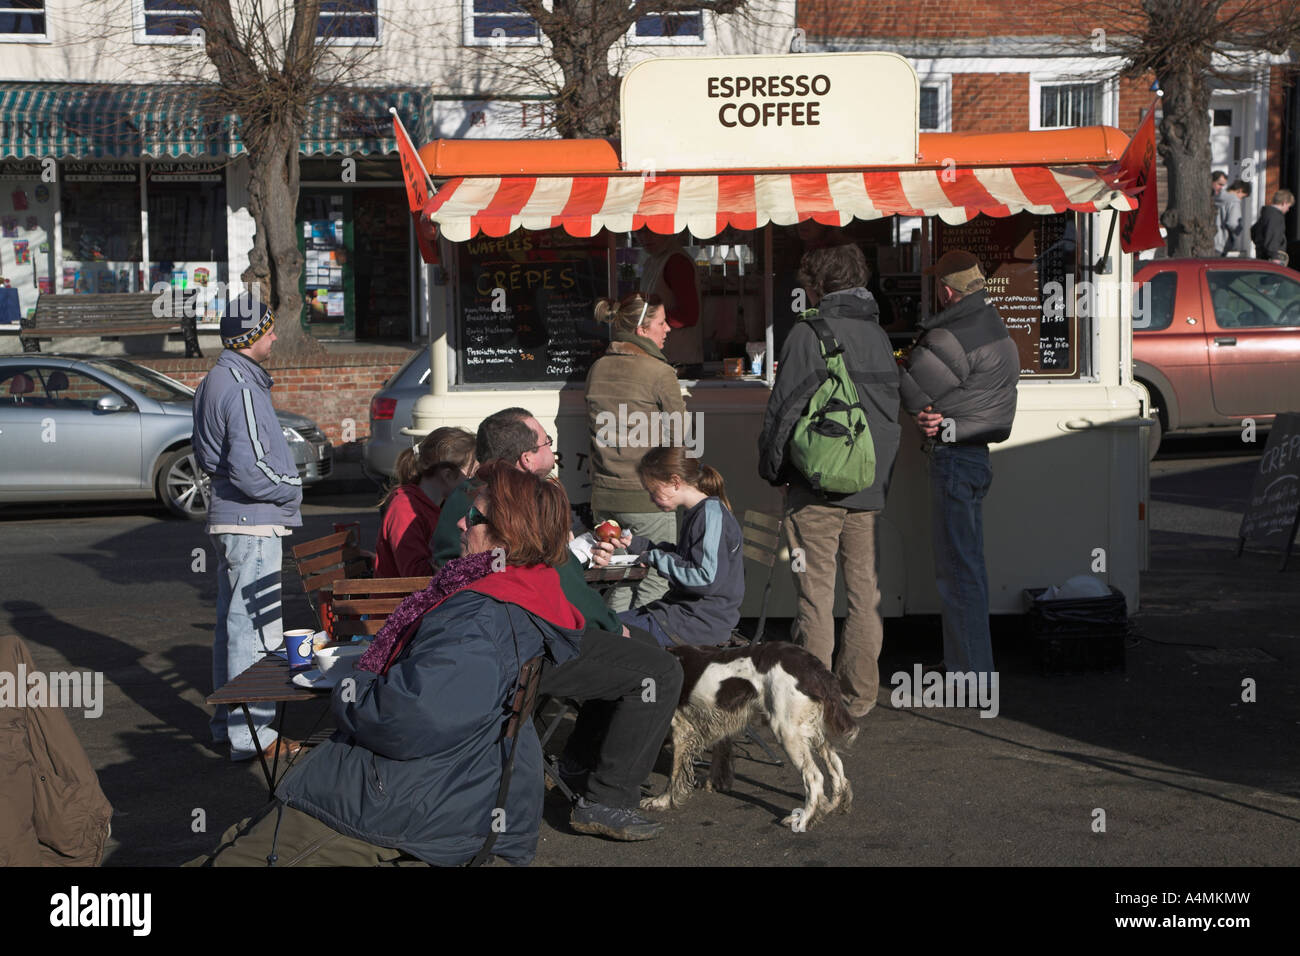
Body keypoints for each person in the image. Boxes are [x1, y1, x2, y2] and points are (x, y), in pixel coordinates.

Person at [192, 463, 585, 866]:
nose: (462, 527)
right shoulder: (523, 591)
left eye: (474, 518)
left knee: (241, 855)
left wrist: (353, 686)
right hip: (445, 783)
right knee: (241, 838)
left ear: (510, 532)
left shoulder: (480, 620)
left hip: (410, 802)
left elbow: (406, 718)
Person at [433, 406, 684, 840]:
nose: (553, 448)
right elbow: (539, 576)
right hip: (519, 642)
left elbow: (551, 572)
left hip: (524, 630)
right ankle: (605, 799)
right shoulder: (505, 497)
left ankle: (582, 763)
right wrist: (605, 623)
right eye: (547, 442)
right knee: (657, 670)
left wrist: (598, 619)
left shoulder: (496, 492)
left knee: (643, 651)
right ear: (527, 458)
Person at [756, 243, 902, 718]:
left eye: (808, 283)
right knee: (865, 594)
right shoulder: (879, 336)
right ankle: (858, 699)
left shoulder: (808, 333)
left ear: (820, 285)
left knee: (815, 595)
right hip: (867, 487)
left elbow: (783, 413)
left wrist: (774, 470)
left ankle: (816, 699)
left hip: (816, 487)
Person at [192, 293, 304, 762]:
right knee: (256, 630)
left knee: (233, 627)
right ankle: (254, 736)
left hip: (231, 519)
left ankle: (231, 727)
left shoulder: (216, 380)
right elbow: (252, 469)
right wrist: (292, 486)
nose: (276, 336)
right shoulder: (240, 386)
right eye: (269, 329)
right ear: (251, 337)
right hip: (251, 522)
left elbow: (208, 456)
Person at [899, 249, 1019, 678]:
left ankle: (970, 673)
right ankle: (963, 663)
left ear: (946, 290)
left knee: (958, 572)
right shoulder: (996, 327)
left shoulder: (951, 336)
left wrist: (933, 415)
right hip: (975, 457)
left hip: (955, 461)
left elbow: (909, 390)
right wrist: (946, 418)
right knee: (966, 567)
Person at [587, 292, 690, 613]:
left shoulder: (598, 368)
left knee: (620, 576)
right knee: (658, 577)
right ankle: (645, 645)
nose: (668, 329)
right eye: (661, 322)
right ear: (642, 330)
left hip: (604, 498)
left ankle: (618, 643)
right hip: (647, 498)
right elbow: (682, 434)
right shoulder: (659, 373)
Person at [595, 445, 744, 649]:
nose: (651, 499)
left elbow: (705, 577)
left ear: (675, 482)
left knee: (603, 633)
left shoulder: (710, 515)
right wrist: (638, 546)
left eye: (653, 491)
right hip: (681, 614)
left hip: (697, 624)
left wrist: (654, 557)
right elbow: (686, 558)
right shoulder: (698, 512)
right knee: (602, 623)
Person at [374, 426, 476, 577]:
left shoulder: (439, 505)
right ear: (447, 475)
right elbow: (414, 576)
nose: (472, 481)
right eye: (470, 474)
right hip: (401, 599)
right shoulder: (405, 508)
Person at [637, 230, 703, 372]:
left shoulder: (676, 261)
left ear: (666, 230)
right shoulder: (651, 261)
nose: (644, 237)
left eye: (651, 232)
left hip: (678, 362)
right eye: (639, 232)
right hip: (660, 359)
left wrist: (650, 322)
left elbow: (688, 316)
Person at [1253, 189, 1294, 265]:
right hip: (1272, 258)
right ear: (1283, 203)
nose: (1288, 210)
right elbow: (1273, 236)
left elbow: (1253, 230)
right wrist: (1274, 256)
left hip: (1261, 255)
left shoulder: (1265, 214)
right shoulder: (1276, 216)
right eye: (1288, 206)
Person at [1216, 180, 1251, 256]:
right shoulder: (1234, 201)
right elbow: (1233, 223)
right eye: (1243, 196)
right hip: (1222, 242)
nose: (1241, 199)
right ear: (1240, 190)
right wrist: (1239, 230)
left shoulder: (1218, 197)